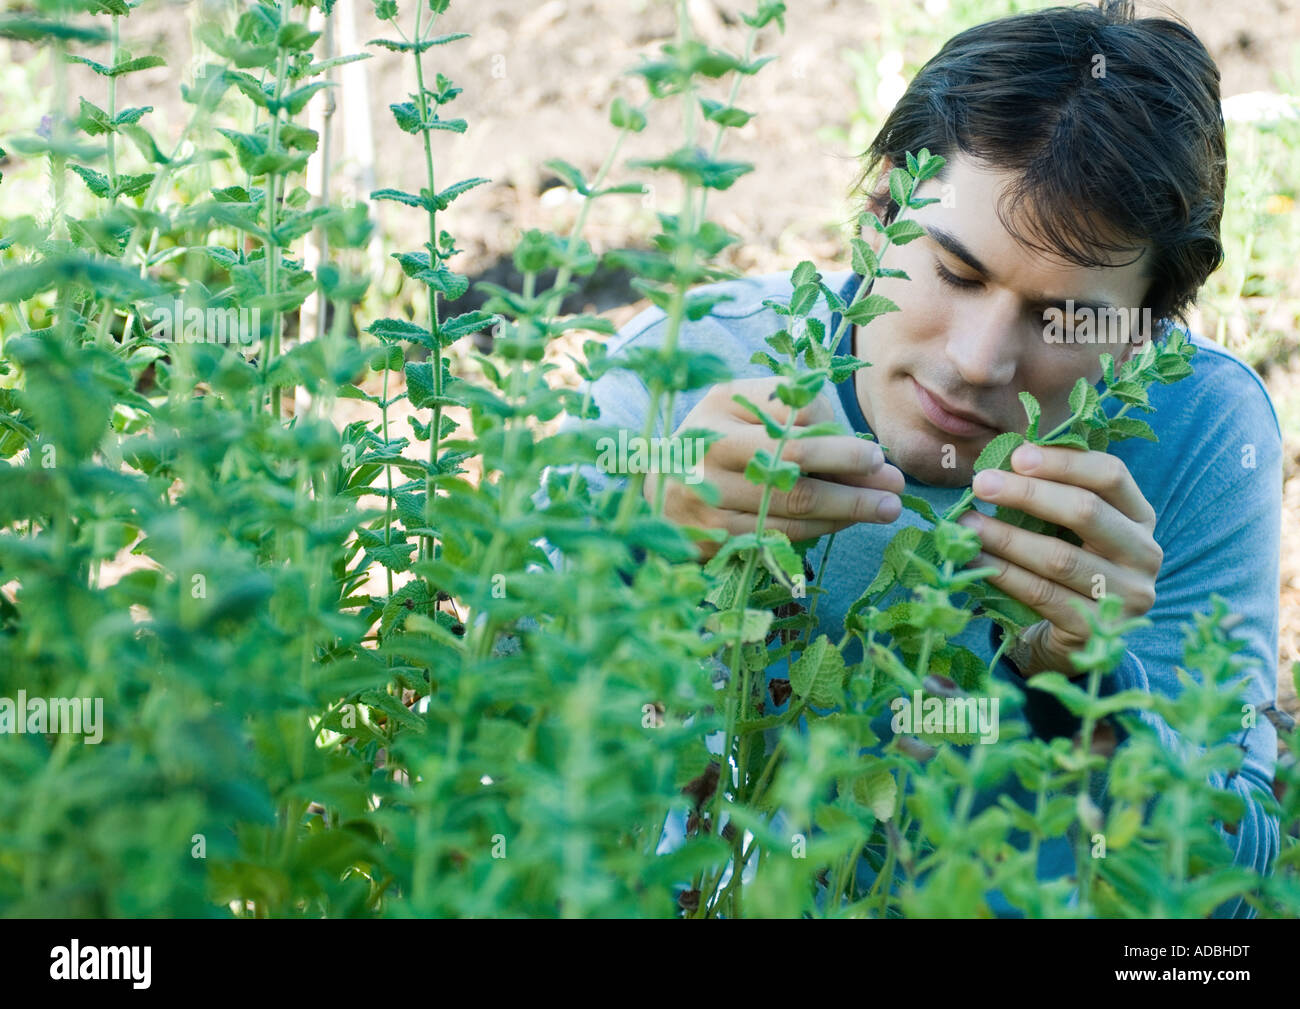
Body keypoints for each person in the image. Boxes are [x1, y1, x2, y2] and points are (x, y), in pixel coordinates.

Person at [547, 0, 1282, 916]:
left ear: (1146, 333)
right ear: (876, 212)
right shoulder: (687, 368)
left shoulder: (1198, 432)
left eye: (1063, 320)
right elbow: (502, 753)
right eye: (955, 271)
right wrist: (651, 556)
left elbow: (1233, 902)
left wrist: (1095, 692)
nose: (978, 362)